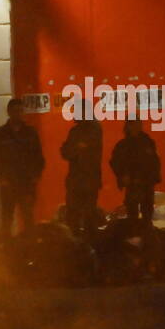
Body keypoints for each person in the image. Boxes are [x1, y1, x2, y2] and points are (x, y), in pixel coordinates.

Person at [0, 98, 45, 238]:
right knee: (7, 220)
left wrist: (35, 176)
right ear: (9, 112)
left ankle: (30, 251)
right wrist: (1, 178)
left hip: (26, 184)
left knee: (28, 218)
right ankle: (7, 253)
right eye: (15, 111)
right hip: (8, 185)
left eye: (20, 111)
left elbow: (39, 157)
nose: (18, 114)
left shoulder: (30, 133)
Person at [60, 102, 103, 238]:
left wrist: (75, 148)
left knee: (89, 215)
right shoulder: (75, 131)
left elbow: (73, 151)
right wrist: (77, 147)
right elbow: (66, 152)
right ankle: (77, 244)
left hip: (88, 179)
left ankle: (89, 244)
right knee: (73, 214)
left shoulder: (95, 129)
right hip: (76, 179)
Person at [110, 118, 161, 223]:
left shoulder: (147, 142)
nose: (138, 127)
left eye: (139, 124)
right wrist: (123, 175)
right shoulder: (123, 145)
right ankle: (135, 233)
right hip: (133, 184)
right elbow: (115, 162)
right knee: (132, 214)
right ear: (128, 126)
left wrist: (152, 179)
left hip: (145, 183)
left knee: (146, 214)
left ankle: (145, 234)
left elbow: (154, 163)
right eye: (134, 125)